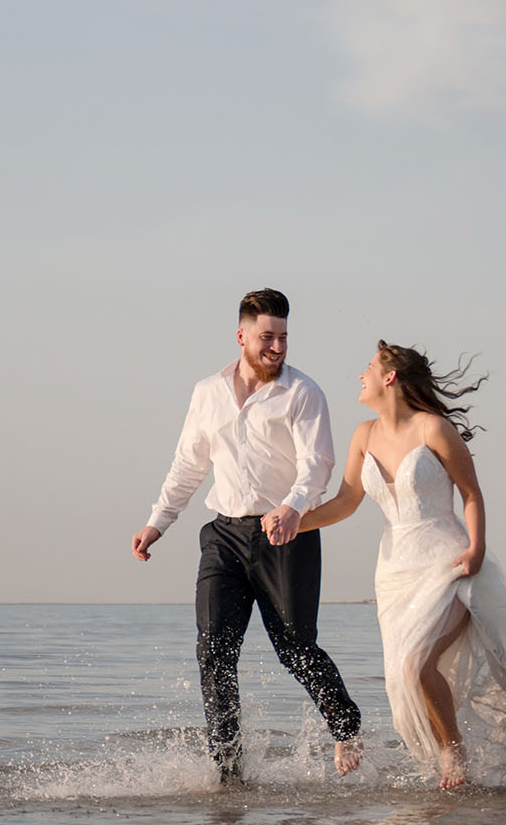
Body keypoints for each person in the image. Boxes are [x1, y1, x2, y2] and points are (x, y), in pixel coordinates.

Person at [297, 341, 506, 790]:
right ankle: (443, 762)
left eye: (368, 367)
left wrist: (477, 549)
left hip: (446, 563)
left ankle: (454, 752)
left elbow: (471, 493)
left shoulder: (433, 428)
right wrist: (294, 523)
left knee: (416, 664)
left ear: (390, 377)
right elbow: (346, 502)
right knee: (402, 681)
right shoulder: (363, 435)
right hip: (394, 574)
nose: (361, 375)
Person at [132, 289, 363, 784]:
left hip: (287, 535)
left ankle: (346, 727)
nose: (276, 347)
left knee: (296, 649)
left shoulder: (303, 393)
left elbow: (318, 464)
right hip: (224, 536)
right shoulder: (207, 392)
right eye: (266, 337)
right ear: (241, 336)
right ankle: (229, 772)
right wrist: (158, 522)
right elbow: (188, 464)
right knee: (213, 651)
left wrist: (292, 507)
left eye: (283, 337)